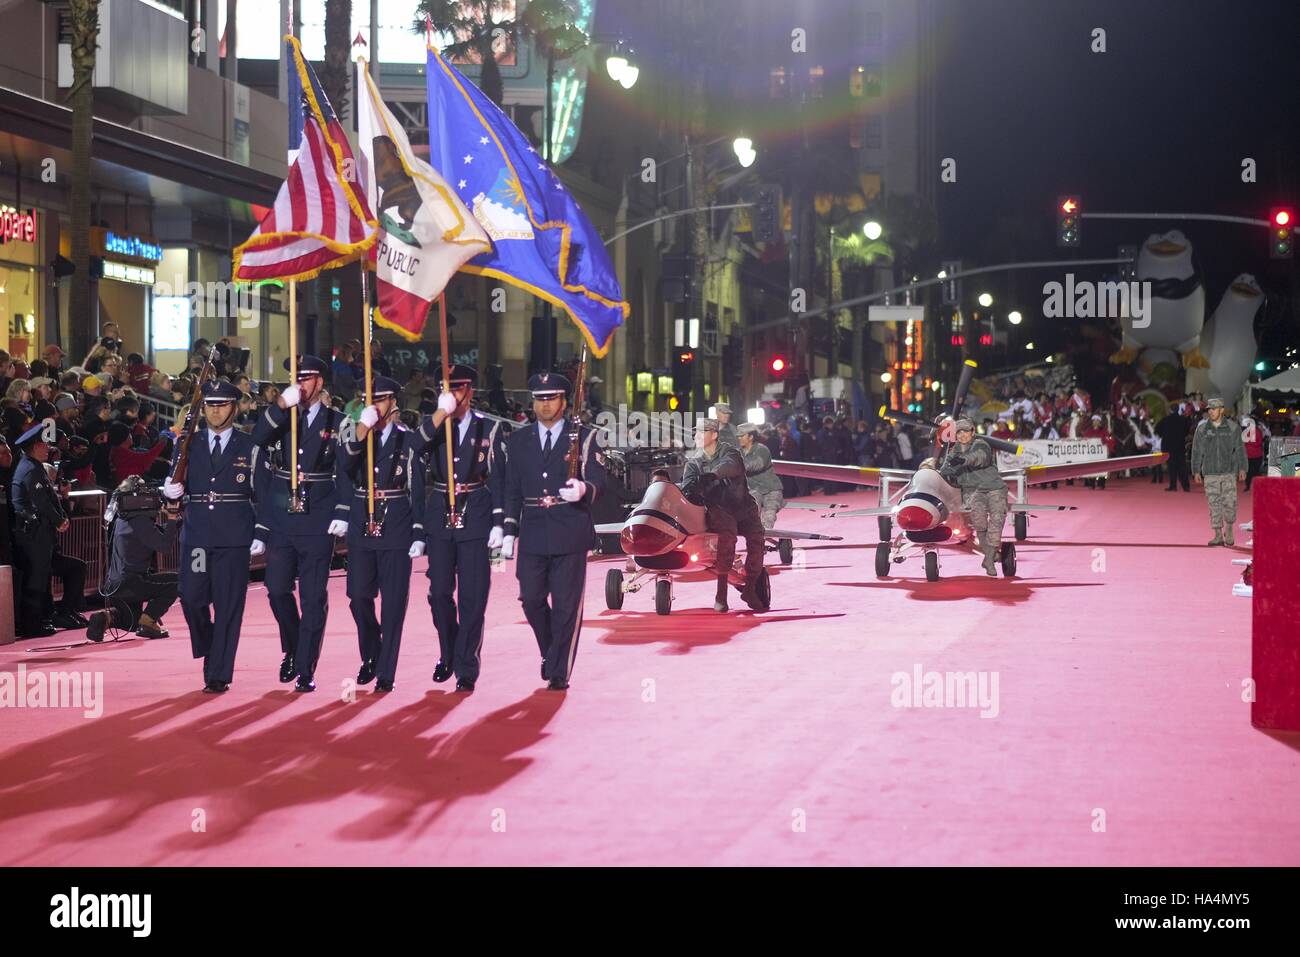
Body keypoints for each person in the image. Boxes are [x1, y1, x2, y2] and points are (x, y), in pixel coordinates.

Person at [500, 372, 608, 690]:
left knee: (565, 605)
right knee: (531, 599)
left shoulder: (584, 437)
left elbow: (600, 482)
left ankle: (559, 668)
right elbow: (512, 488)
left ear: (563, 401)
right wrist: (508, 528)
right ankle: (551, 650)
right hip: (533, 529)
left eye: (551, 399)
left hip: (569, 527)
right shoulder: (518, 440)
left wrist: (584, 489)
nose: (545, 405)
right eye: (539, 399)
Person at [250, 356, 351, 692]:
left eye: (306, 379)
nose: (299, 384)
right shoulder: (282, 416)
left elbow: (348, 470)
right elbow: (258, 438)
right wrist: (280, 405)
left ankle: (305, 665)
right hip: (281, 515)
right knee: (276, 589)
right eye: (296, 378)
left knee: (311, 596)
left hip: (318, 514)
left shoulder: (338, 421)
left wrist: (342, 510)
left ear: (319, 382)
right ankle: (293, 647)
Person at [162, 380, 264, 693]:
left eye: (220, 405)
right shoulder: (188, 443)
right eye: (209, 404)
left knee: (228, 604)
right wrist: (169, 493)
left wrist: (261, 531)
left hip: (234, 536)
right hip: (197, 536)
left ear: (234, 407)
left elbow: (262, 493)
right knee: (191, 597)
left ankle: (218, 672)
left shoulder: (249, 446)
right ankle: (209, 645)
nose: (214, 410)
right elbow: (176, 485)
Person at [415, 365, 508, 692]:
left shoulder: (489, 428)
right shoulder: (435, 424)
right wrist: (440, 413)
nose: (453, 395)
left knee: (472, 595)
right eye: (448, 389)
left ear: (470, 391)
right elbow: (415, 446)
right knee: (439, 593)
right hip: (440, 514)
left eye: (458, 389)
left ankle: (466, 664)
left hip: (476, 513)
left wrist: (500, 523)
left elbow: (498, 478)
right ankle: (448, 651)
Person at [338, 376, 424, 692]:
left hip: (397, 523)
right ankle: (371, 654)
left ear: (393, 402)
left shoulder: (408, 439)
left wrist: (418, 531)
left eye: (381, 399)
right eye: (369, 399)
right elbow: (345, 466)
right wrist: (362, 430)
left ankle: (385, 670)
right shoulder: (356, 434)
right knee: (358, 596)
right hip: (363, 522)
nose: (374, 405)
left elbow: (416, 488)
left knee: (393, 604)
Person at [680, 418, 767, 612]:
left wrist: (713, 475)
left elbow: (731, 466)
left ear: (714, 435)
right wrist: (692, 489)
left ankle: (750, 588)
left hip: (743, 507)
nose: (696, 436)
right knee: (727, 538)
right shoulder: (693, 463)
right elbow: (687, 487)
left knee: (757, 539)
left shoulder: (731, 452)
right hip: (720, 509)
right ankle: (721, 594)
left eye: (701, 432)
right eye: (696, 433)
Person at [11, 423, 90, 636]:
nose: (48, 448)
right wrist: (58, 521)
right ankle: (33, 625)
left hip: (41, 534)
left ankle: (52, 616)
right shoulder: (30, 468)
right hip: (34, 535)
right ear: (35, 446)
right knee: (36, 578)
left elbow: (49, 499)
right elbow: (41, 502)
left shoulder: (34, 467)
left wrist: (60, 516)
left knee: (45, 575)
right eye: (44, 444)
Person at [88, 476, 179, 641]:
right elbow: (164, 546)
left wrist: (176, 522)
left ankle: (105, 617)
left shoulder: (123, 518)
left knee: (130, 621)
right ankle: (148, 622)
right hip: (132, 581)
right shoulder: (140, 519)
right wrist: (172, 518)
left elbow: (153, 534)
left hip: (115, 584)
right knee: (177, 582)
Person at [939, 418, 1009, 577]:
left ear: (973, 432)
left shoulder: (980, 444)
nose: (963, 435)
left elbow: (980, 457)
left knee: (997, 521)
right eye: (959, 432)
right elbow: (944, 472)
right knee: (980, 526)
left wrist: (963, 460)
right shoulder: (953, 453)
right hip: (972, 492)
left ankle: (989, 559)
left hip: (993, 488)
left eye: (966, 431)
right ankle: (989, 558)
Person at [1191, 397, 1247, 546]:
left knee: (1230, 502)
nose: (1211, 411)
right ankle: (1217, 535)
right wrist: (1196, 470)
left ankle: (1228, 529)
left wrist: (1243, 468)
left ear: (1222, 410)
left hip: (1228, 472)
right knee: (1213, 503)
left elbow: (1240, 449)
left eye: (1214, 409)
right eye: (1209, 409)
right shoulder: (1202, 429)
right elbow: (1196, 451)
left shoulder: (1233, 427)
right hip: (1209, 473)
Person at [738, 422, 784, 530]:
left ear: (751, 437)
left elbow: (757, 465)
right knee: (751, 511)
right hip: (753, 490)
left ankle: (764, 534)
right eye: (738, 436)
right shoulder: (738, 453)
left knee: (769, 514)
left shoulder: (762, 449)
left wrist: (735, 467)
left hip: (771, 489)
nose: (739, 438)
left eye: (742, 436)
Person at [1157, 403, 1193, 491]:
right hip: (1180, 446)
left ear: (1170, 410)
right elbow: (1187, 431)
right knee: (1182, 466)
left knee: (1171, 467)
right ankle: (1186, 486)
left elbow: (1158, 430)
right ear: (1178, 410)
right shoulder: (1183, 420)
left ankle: (1173, 486)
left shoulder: (1165, 420)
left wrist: (1165, 435)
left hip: (1168, 447)